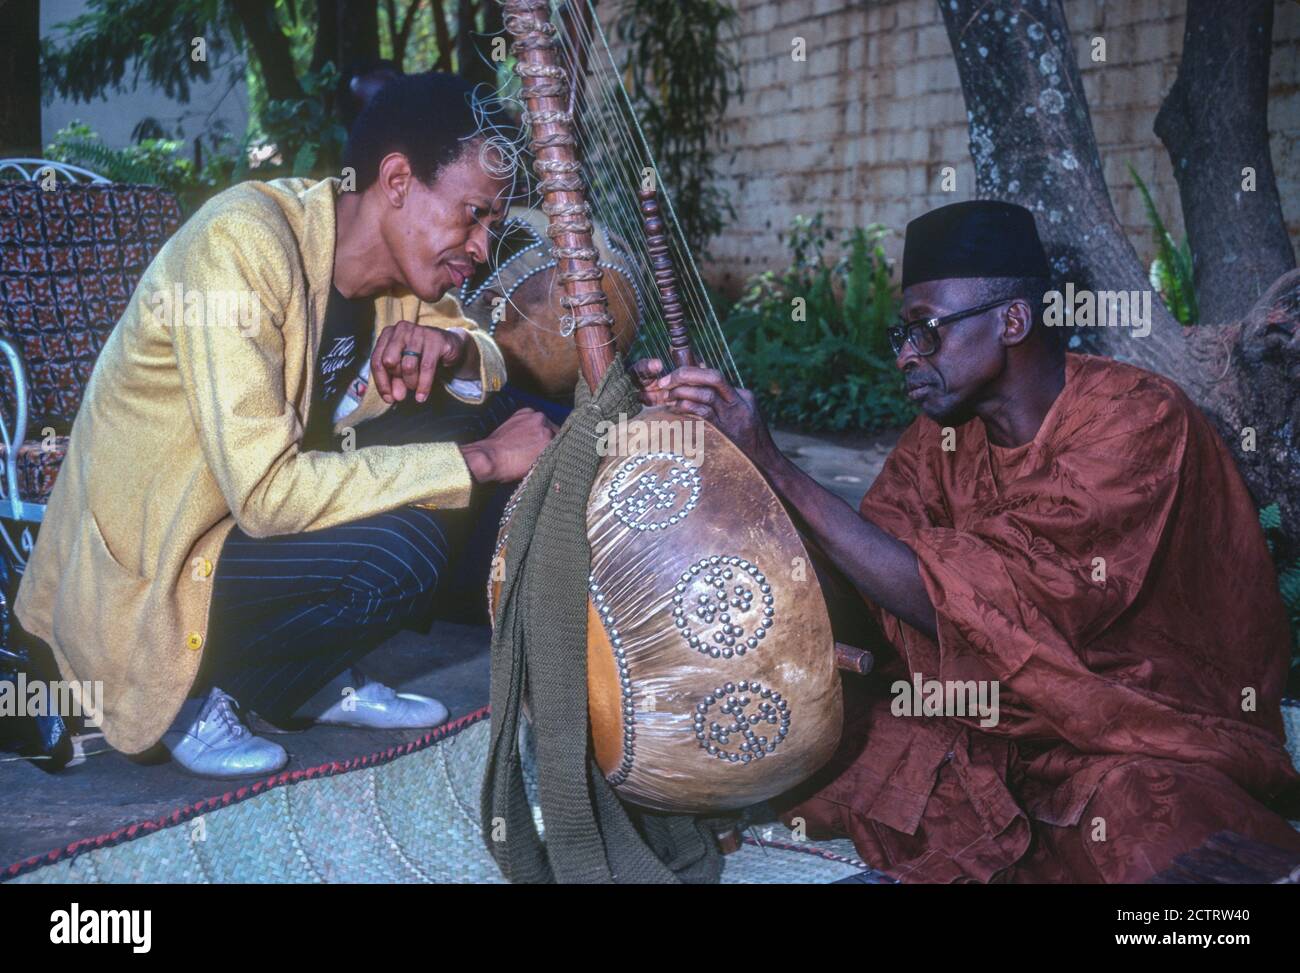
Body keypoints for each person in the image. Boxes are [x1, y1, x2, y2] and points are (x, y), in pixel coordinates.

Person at [633, 200, 1300, 883]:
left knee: (1157, 839)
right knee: (814, 756)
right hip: (991, 724)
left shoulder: (1134, 421)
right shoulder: (939, 440)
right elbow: (868, 586)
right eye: (900, 334)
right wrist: (734, 472)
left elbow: (976, 602)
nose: (903, 355)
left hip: (1137, 732)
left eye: (926, 331)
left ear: (1012, 321)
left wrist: (776, 464)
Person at [14, 72, 555, 779]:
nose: (482, 247)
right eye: (474, 215)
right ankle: (187, 691)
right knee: (406, 548)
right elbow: (267, 493)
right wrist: (480, 460)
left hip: (238, 528)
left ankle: (300, 677)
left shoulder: (392, 273)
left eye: (492, 226)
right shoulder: (244, 244)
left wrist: (452, 348)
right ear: (397, 180)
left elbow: (479, 349)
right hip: (161, 559)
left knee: (488, 410)